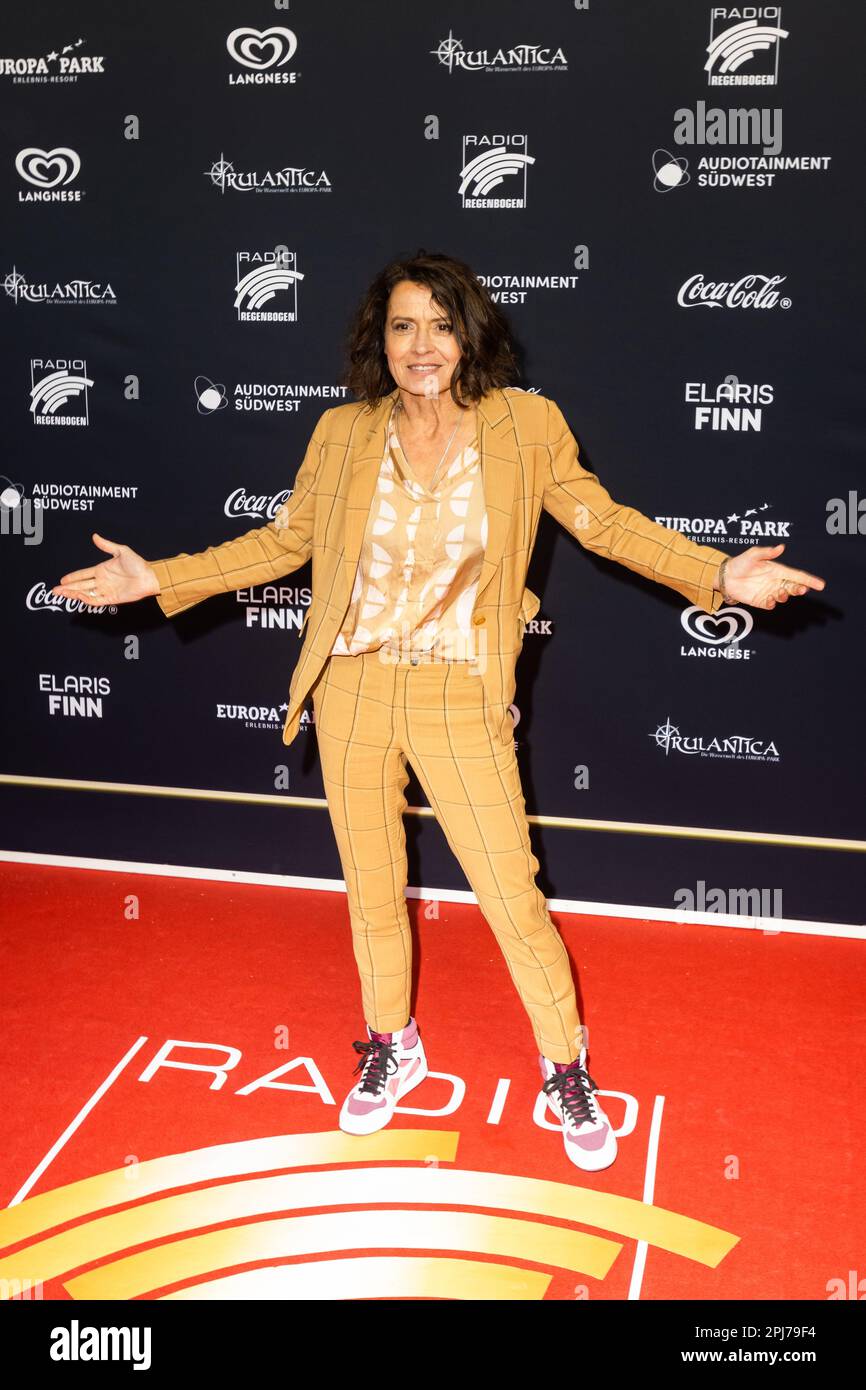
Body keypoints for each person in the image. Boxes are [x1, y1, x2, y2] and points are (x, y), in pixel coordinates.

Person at [51, 249, 826, 1172]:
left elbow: (603, 523)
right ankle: (391, 1042)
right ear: (379, 341)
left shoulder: (525, 425)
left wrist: (715, 571)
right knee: (372, 888)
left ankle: (564, 1063)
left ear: (471, 334)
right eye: (403, 326)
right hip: (353, 688)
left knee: (510, 894)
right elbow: (288, 539)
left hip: (461, 689)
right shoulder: (343, 431)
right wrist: (161, 577)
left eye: (442, 325)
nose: (424, 346)